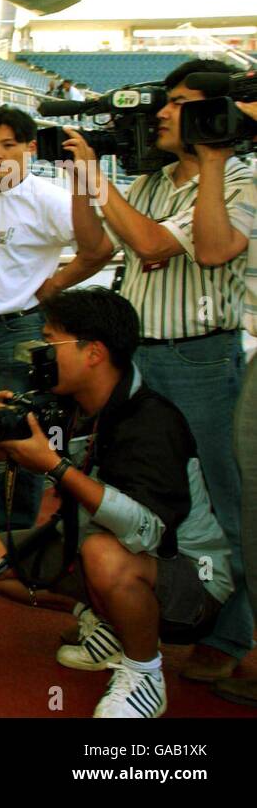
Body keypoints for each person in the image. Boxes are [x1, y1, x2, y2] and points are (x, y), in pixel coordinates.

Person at [67, 58, 255, 683]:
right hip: (140, 360)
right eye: (164, 101)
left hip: (200, 360)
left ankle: (232, 638)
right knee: (129, 489)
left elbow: (169, 246)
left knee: (223, 502)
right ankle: (126, 623)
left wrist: (116, 191)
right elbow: (101, 246)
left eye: (178, 103)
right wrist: (83, 184)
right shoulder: (148, 184)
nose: (161, 113)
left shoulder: (244, 178)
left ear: (211, 113)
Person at [0, 288, 234, 718]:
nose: (39, 354)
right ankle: (110, 624)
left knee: (103, 554)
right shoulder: (63, 403)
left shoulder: (152, 421)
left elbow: (148, 531)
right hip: (97, 544)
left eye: (49, 342)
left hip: (191, 576)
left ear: (93, 353)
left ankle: (144, 673)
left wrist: (54, 466)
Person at [0, 105, 109, 531]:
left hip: (24, 331)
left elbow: (97, 249)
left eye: (9, 145)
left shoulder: (48, 198)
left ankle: (13, 536)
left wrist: (55, 285)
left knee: (20, 436)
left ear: (31, 148)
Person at [197, 97, 257, 708]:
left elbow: (207, 252)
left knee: (236, 505)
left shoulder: (245, 176)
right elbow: (214, 249)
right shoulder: (247, 179)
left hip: (215, 354)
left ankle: (237, 636)